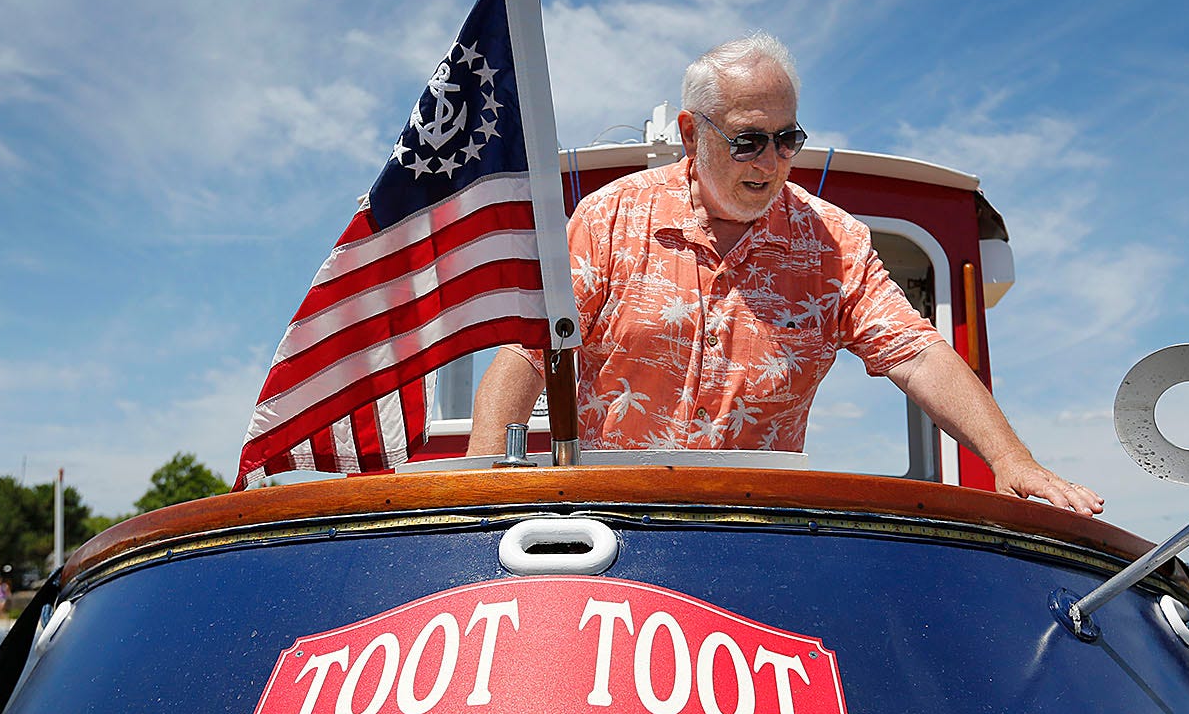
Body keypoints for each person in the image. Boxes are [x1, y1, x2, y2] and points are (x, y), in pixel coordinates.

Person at [468, 33, 1102, 516]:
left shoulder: (833, 243)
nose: (771, 161)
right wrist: (473, 492)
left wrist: (1011, 461)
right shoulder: (611, 217)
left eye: (787, 138)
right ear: (693, 134)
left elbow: (917, 353)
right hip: (611, 514)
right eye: (748, 141)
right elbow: (528, 352)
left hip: (754, 524)